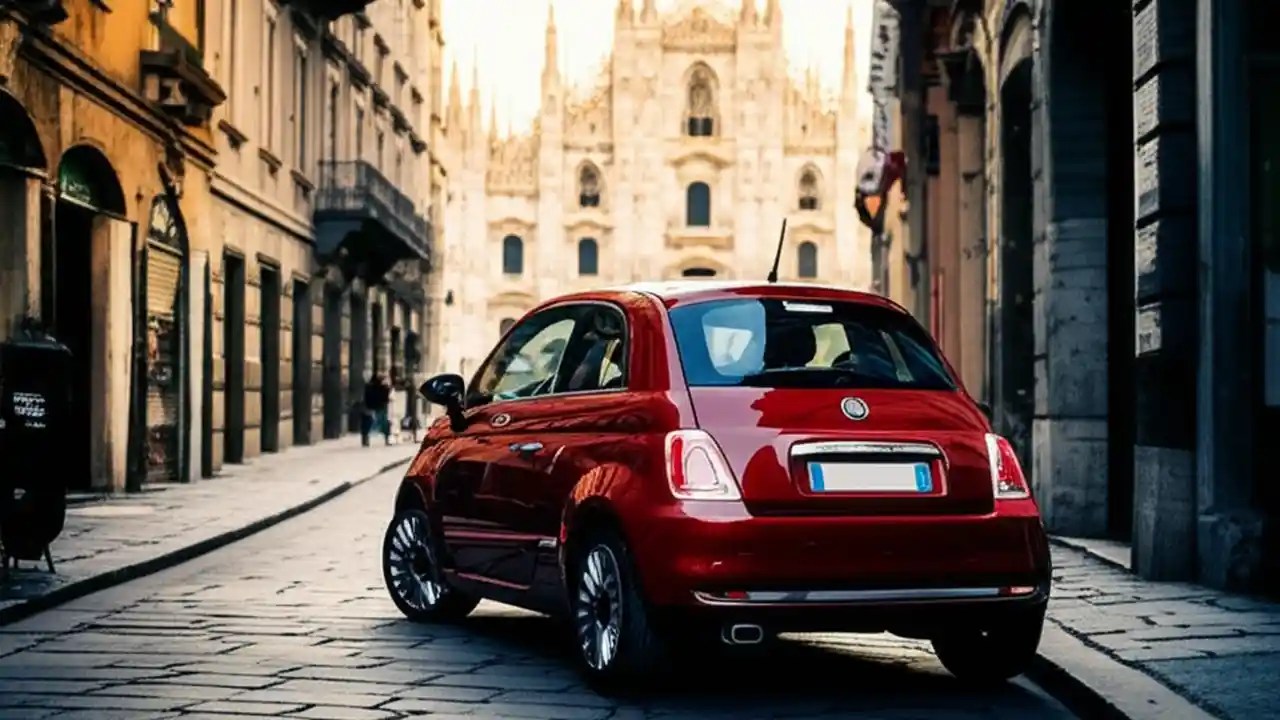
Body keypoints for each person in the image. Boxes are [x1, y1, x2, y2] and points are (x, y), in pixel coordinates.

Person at [361, 374, 392, 446]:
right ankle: (386, 440)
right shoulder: (383, 388)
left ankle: (365, 440)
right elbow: (385, 398)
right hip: (379, 408)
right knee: (384, 424)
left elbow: (366, 398)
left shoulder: (368, 387)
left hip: (370, 407)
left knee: (367, 425)